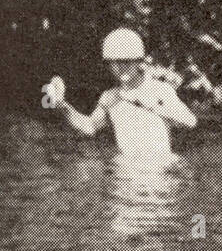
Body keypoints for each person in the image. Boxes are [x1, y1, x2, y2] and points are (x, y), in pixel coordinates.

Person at [44, 28, 197, 159]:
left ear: (138, 61)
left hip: (159, 164)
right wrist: (61, 105)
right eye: (114, 62)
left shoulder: (160, 90)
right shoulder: (109, 97)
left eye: (126, 61)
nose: (120, 67)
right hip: (126, 169)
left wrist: (150, 105)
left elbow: (190, 122)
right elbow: (89, 127)